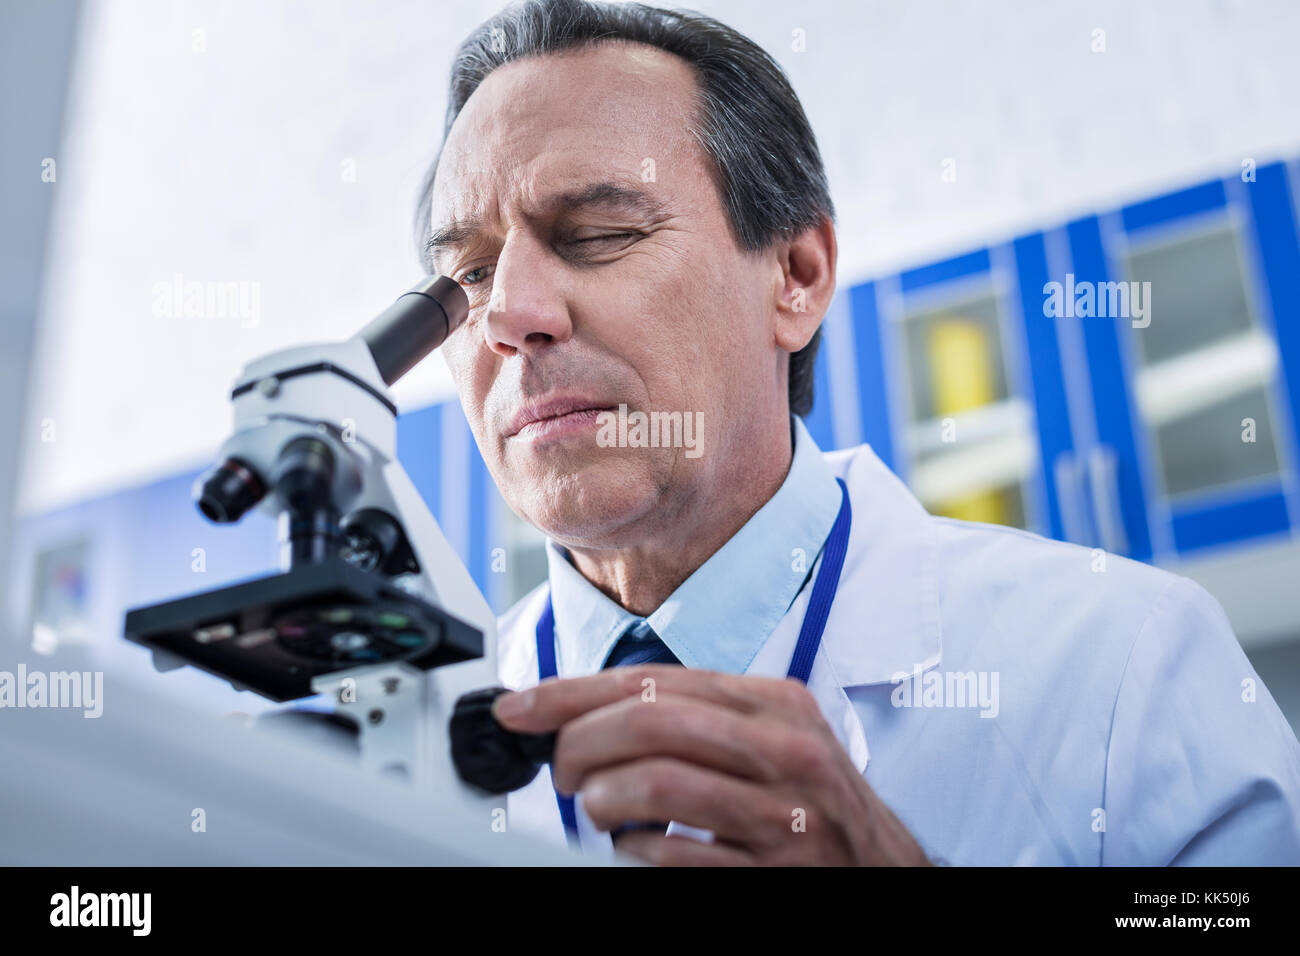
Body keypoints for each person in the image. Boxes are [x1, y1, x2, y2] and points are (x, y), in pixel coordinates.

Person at [416, 0, 1300, 865]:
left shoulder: (1126, 665)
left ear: (797, 276)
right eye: (469, 276)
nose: (509, 315)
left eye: (598, 233)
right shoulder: (401, 742)